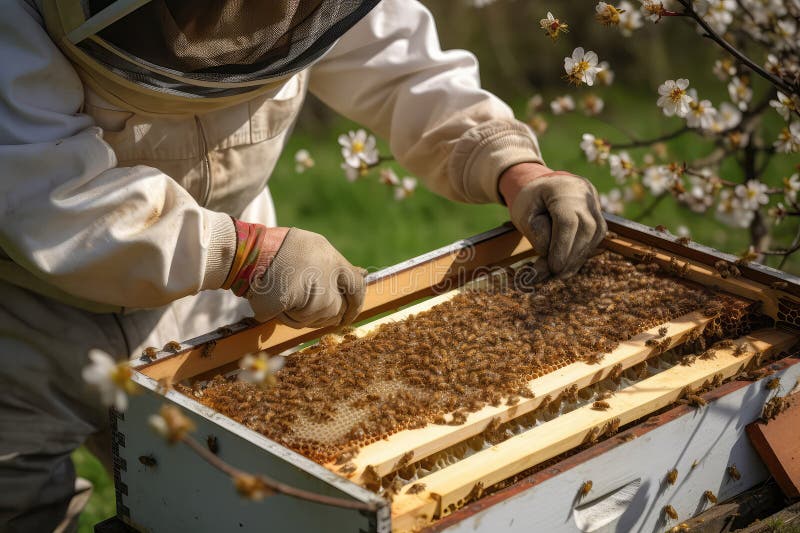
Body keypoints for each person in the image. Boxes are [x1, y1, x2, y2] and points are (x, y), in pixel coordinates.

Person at [0, 0, 606, 530]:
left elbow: (401, 67)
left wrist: (511, 165)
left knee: (233, 504)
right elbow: (42, 190)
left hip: (217, 300)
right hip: (27, 317)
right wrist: (244, 253)